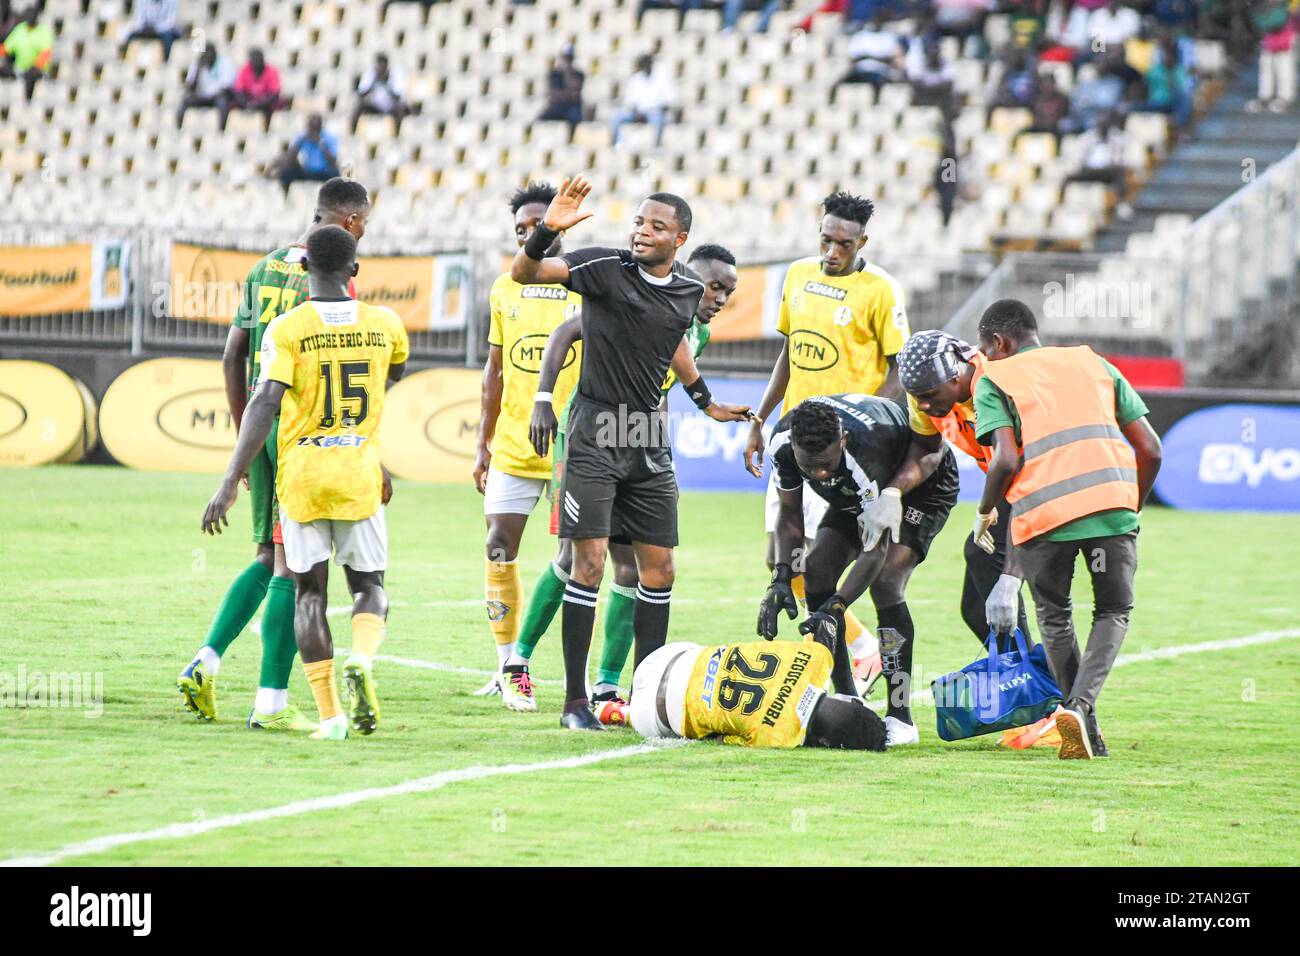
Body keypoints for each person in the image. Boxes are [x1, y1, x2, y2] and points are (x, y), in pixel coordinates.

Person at [513, 176, 752, 729]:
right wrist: (547, 230)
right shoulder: (603, 268)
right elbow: (524, 273)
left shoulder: (689, 294)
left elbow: (672, 345)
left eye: (657, 226)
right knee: (589, 563)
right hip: (595, 432)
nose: (643, 232)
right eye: (640, 222)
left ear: (680, 238)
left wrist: (707, 402)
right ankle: (576, 702)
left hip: (646, 438)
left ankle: (645, 699)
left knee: (660, 569)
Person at [178, 178, 372, 733]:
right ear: (351, 223)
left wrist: (245, 434)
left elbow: (232, 354)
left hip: (261, 430)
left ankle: (206, 661)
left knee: (268, 555)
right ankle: (271, 702)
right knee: (296, 567)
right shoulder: (336, 279)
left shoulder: (264, 267)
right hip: (305, 439)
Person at [201, 225, 409, 742]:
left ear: (302, 268)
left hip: (302, 479)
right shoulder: (385, 323)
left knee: (308, 595)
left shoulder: (287, 330)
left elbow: (265, 401)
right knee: (369, 587)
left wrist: (231, 479)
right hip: (358, 474)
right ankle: (360, 658)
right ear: (355, 269)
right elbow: (394, 374)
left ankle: (331, 717)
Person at [973, 298, 1162, 760]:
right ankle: (1079, 709)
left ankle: (1081, 719)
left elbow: (1005, 459)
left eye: (986, 350)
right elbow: (1151, 450)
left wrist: (985, 510)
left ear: (999, 343)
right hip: (1111, 506)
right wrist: (1128, 503)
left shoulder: (995, 378)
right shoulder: (1094, 362)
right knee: (1112, 610)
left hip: (1042, 515)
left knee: (1054, 615)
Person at [743, 191, 909, 683]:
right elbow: (791, 352)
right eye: (826, 240)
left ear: (862, 241)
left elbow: (898, 371)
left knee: (815, 565)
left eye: (843, 244)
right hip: (796, 442)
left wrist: (870, 424)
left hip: (841, 453)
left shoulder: (881, 289)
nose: (832, 252)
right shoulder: (798, 275)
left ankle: (857, 650)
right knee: (782, 560)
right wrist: (760, 418)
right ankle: (858, 649)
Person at [759, 394, 958, 746]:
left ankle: (901, 717)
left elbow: (875, 552)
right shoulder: (782, 443)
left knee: (885, 582)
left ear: (842, 441)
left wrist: (836, 608)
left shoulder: (866, 452)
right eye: (811, 468)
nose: (819, 473)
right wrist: (780, 577)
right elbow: (790, 515)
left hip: (918, 488)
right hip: (855, 491)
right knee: (817, 569)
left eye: (825, 464)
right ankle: (848, 695)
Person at [895, 330, 1059, 750]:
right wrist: (893, 491)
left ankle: (1047, 708)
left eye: (932, 395)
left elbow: (1022, 469)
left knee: (1005, 582)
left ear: (956, 374)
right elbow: (925, 447)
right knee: (975, 607)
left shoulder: (998, 386)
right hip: (1007, 485)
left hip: (1046, 479)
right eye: (918, 398)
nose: (926, 405)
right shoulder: (927, 397)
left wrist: (1011, 578)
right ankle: (1036, 695)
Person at [473, 182, 584, 711]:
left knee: (571, 556)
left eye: (538, 225)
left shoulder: (584, 283)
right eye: (521, 229)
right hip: (515, 443)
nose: (530, 235)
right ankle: (504, 668)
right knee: (498, 545)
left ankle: (525, 655)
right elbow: (493, 370)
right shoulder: (504, 287)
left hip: (572, 445)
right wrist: (482, 444)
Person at [631, 635, 886, 750]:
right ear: (827, 743)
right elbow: (717, 739)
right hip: (650, 715)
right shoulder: (781, 737)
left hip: (667, 655)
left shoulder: (817, 657)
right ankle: (622, 712)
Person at [1065, 110, 1132, 218]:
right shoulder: (1087, 137)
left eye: (1105, 123)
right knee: (1068, 178)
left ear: (1109, 124)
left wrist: (1111, 165)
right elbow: (1079, 157)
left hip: (1108, 171)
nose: (1102, 125)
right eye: (1100, 123)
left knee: (1119, 173)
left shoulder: (1118, 138)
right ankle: (1065, 206)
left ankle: (1121, 204)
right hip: (1089, 170)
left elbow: (1121, 160)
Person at [611, 54, 675, 148]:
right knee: (617, 118)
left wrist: (656, 110)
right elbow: (630, 102)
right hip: (637, 113)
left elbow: (669, 101)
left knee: (658, 120)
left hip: (655, 112)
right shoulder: (635, 79)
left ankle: (656, 145)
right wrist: (637, 112)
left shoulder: (661, 78)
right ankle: (617, 144)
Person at [268, 114, 341, 196]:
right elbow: (290, 159)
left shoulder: (330, 138)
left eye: (316, 128)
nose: (313, 131)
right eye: (311, 127)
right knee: (287, 172)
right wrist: (299, 143)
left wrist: (321, 144)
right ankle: (286, 196)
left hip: (324, 171)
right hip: (307, 171)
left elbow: (333, 161)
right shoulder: (302, 137)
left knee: (335, 174)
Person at [177, 42, 234, 130]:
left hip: (217, 97)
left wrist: (213, 96)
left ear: (215, 53)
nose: (208, 56)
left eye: (210, 53)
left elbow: (226, 87)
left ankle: (221, 130)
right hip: (201, 97)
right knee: (185, 101)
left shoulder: (224, 63)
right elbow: (190, 87)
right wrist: (198, 70)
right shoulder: (198, 64)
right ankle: (179, 128)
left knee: (222, 103)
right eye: (205, 53)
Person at [0, 6, 52, 100]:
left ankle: (29, 99)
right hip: (20, 70)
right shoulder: (20, 29)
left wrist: (36, 66)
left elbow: (45, 54)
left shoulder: (43, 31)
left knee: (31, 75)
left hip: (37, 71)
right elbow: (6, 48)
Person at [351, 53, 409, 134]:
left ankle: (397, 133)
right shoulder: (371, 74)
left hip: (391, 107)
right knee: (359, 106)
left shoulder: (395, 74)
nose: (381, 68)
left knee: (401, 109)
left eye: (383, 65)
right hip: (376, 106)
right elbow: (361, 94)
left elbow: (398, 97)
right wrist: (373, 83)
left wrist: (386, 84)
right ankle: (352, 131)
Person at [231, 48, 286, 130]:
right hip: (248, 100)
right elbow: (238, 91)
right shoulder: (244, 70)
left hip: (266, 102)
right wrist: (246, 103)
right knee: (231, 104)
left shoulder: (271, 71)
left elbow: (274, 93)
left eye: (258, 59)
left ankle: (268, 129)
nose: (256, 61)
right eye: (253, 59)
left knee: (277, 105)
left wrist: (259, 103)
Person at [538, 43, 584, 131]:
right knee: (540, 122)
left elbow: (575, 94)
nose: (567, 61)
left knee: (576, 118)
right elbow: (553, 94)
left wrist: (567, 73)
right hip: (557, 106)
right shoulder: (554, 74)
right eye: (566, 58)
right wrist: (567, 94)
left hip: (571, 107)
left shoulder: (578, 74)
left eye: (569, 58)